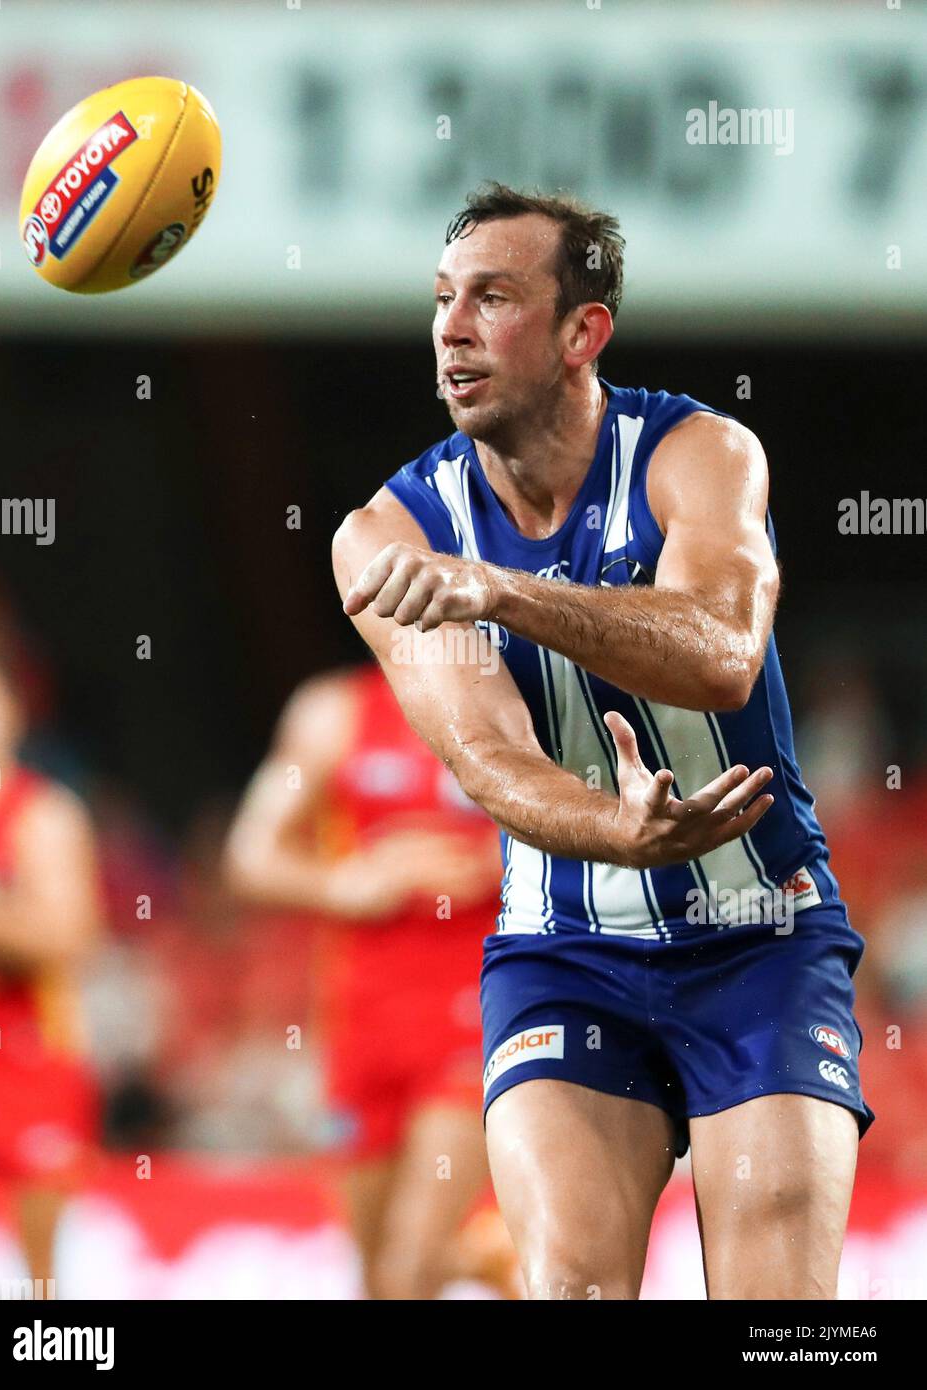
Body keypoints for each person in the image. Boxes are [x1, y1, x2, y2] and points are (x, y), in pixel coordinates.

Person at [331, 182, 875, 1300]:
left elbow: (721, 649)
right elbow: (488, 760)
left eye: (492, 297)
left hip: (759, 936)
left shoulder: (699, 453)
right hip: (561, 955)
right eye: (442, 298)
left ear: (584, 332)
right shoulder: (385, 536)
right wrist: (615, 833)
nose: (451, 326)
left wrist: (501, 590)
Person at [224, 660, 519, 1299]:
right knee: (376, 1276)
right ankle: (482, 1256)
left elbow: (599, 820)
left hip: (480, 1010)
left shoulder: (521, 697)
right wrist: (346, 882)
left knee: (409, 1266)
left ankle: (464, 1254)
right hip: (362, 1019)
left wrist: (486, 861)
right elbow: (250, 855)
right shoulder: (336, 711)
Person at [0, 640, 104, 1297]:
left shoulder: (42, 815)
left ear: (9, 717)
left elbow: (71, 940)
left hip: (29, 1058)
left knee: (42, 1279)